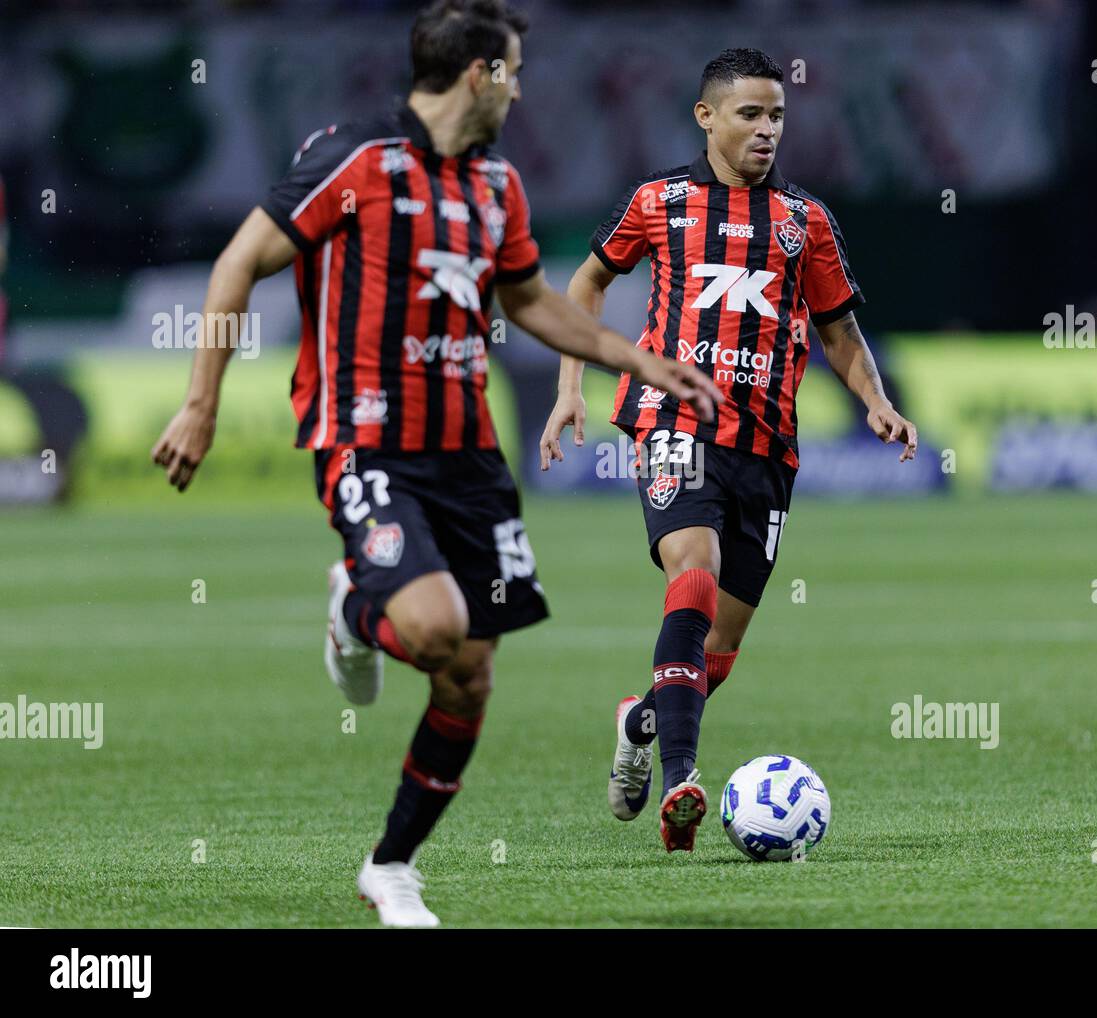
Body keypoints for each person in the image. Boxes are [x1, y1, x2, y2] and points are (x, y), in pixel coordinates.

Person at [150, 0, 718, 926]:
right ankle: (357, 606)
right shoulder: (358, 159)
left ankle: (393, 864)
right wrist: (201, 402)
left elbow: (531, 300)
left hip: (469, 456)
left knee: (470, 672)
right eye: (515, 70)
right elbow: (237, 263)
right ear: (479, 74)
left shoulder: (497, 185)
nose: (523, 87)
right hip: (366, 438)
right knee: (432, 626)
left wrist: (637, 358)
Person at [539, 48, 917, 853]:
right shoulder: (660, 202)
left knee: (721, 652)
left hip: (767, 445)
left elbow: (839, 329)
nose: (767, 130)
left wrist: (877, 401)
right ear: (706, 116)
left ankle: (642, 721)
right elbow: (584, 287)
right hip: (672, 421)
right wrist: (570, 385)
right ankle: (682, 777)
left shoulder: (804, 221)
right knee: (695, 573)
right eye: (750, 114)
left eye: (777, 115)